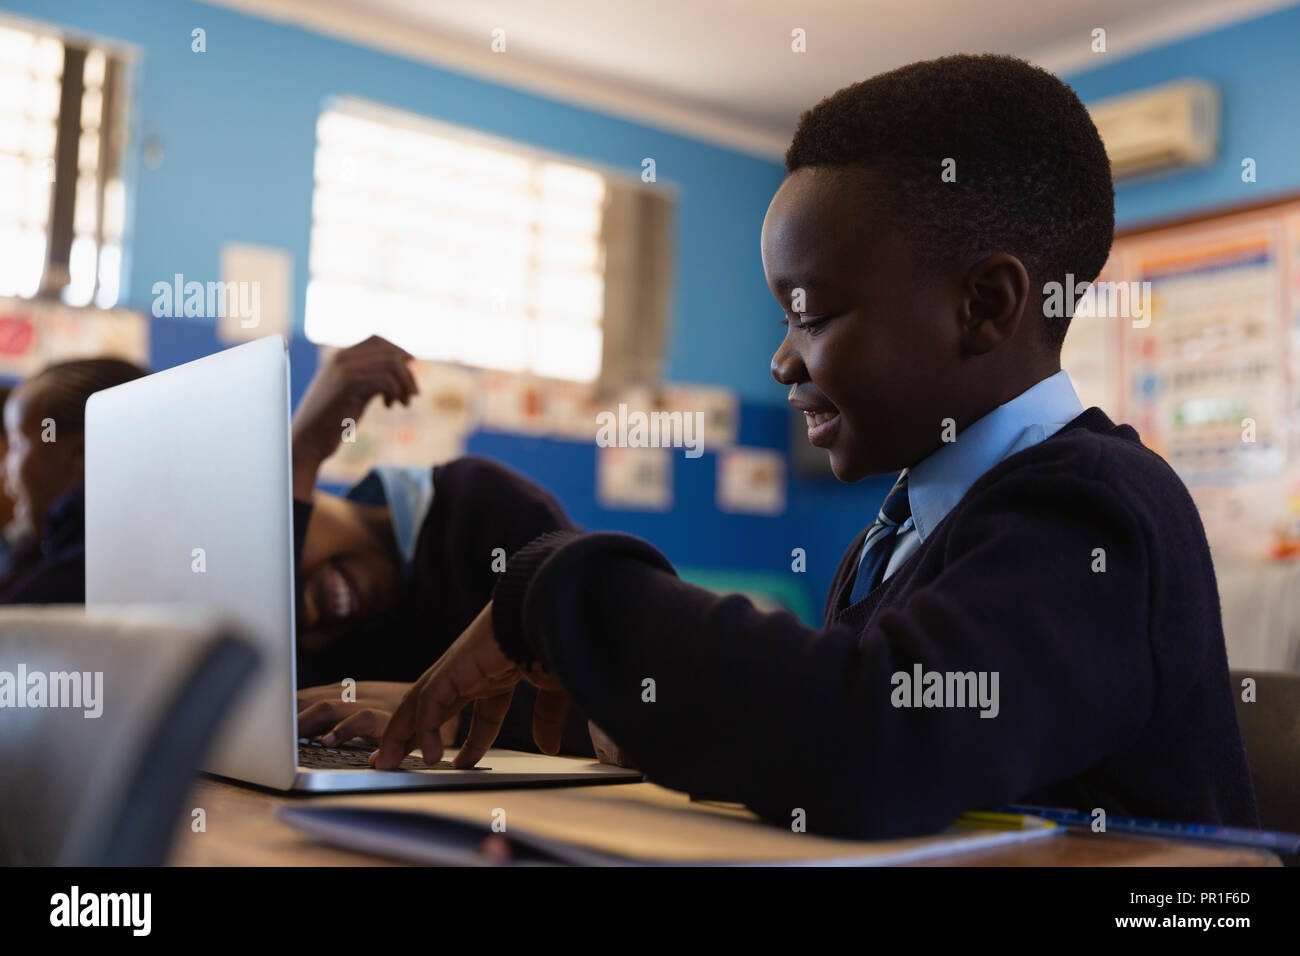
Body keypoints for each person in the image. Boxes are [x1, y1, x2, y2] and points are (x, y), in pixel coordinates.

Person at [362, 54, 1257, 838]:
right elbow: (807, 736)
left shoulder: (1099, 513)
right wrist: (450, 706)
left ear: (985, 306)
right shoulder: (897, 536)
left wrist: (559, 586)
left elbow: (869, 738)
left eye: (815, 314)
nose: (783, 359)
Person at [289, 336, 601, 758]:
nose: (304, 611)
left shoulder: (477, 504)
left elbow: (619, 688)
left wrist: (454, 711)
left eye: (289, 545)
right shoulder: (325, 654)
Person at [0, 357, 147, 604]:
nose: (5, 470)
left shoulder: (63, 588)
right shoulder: (38, 557)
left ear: (81, 452)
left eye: (16, 445)